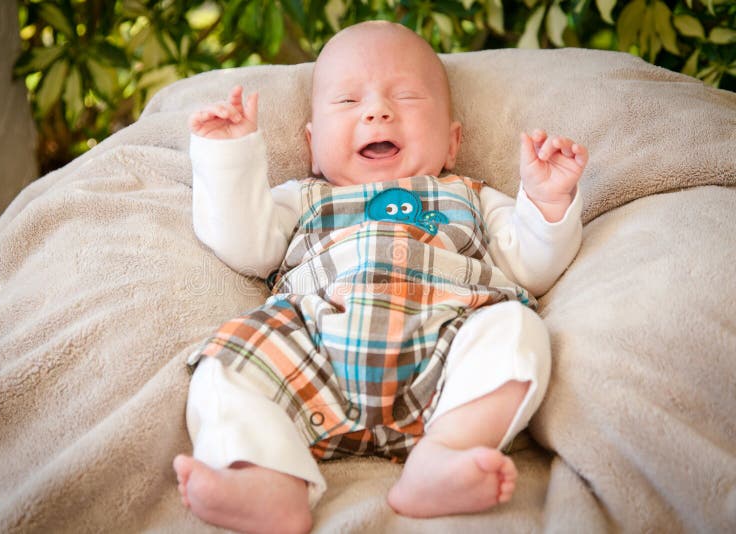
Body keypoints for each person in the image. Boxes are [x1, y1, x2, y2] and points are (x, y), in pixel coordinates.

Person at [173, 20, 587, 534]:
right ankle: (267, 479)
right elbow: (242, 243)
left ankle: (447, 452)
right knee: (226, 362)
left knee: (516, 331)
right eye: (347, 102)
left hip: (444, 344)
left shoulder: (471, 194)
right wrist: (230, 156)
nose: (377, 111)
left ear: (452, 142)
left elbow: (531, 265)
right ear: (312, 145)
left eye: (407, 97)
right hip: (313, 349)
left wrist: (547, 201)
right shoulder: (302, 197)